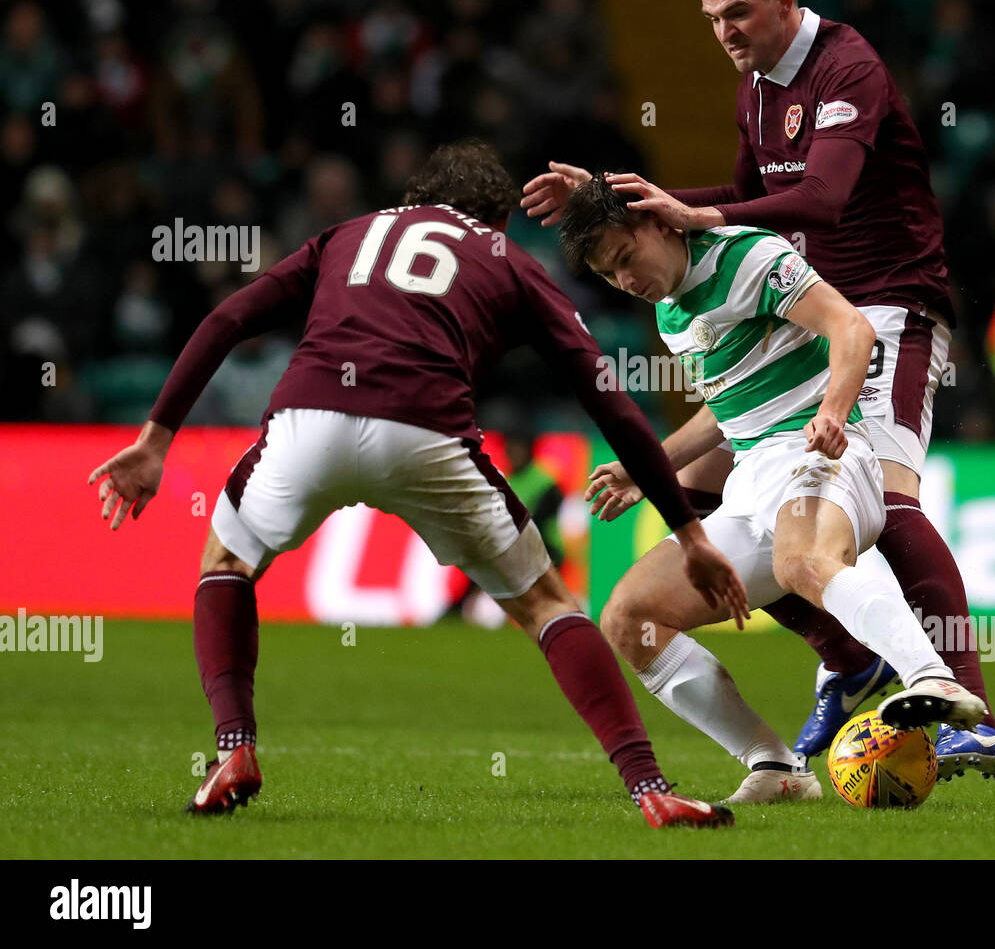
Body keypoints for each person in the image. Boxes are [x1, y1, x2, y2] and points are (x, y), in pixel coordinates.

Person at [88, 140, 744, 829]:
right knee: (549, 605)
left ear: (411, 199)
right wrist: (688, 533)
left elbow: (227, 319)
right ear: (496, 223)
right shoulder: (509, 261)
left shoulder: (348, 233)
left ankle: (233, 747)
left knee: (225, 563)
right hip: (426, 433)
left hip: (309, 419)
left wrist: (154, 441)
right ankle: (650, 789)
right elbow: (609, 398)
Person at [522, 0, 995, 778]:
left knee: (889, 507)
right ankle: (847, 654)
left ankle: (970, 707)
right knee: (691, 494)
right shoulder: (755, 88)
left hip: (885, 305)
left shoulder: (847, 68)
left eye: (740, 13)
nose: (726, 33)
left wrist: (699, 214)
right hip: (805, 309)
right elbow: (755, 200)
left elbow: (815, 199)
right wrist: (614, 197)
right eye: (713, 19)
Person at [558, 173, 987, 803]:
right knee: (630, 619)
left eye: (625, 258)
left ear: (660, 223)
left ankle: (934, 679)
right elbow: (728, 411)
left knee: (803, 562)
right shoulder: (672, 314)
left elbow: (851, 329)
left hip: (823, 454)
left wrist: (835, 411)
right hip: (754, 483)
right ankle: (776, 766)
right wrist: (642, 466)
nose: (625, 280)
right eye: (608, 275)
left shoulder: (746, 255)